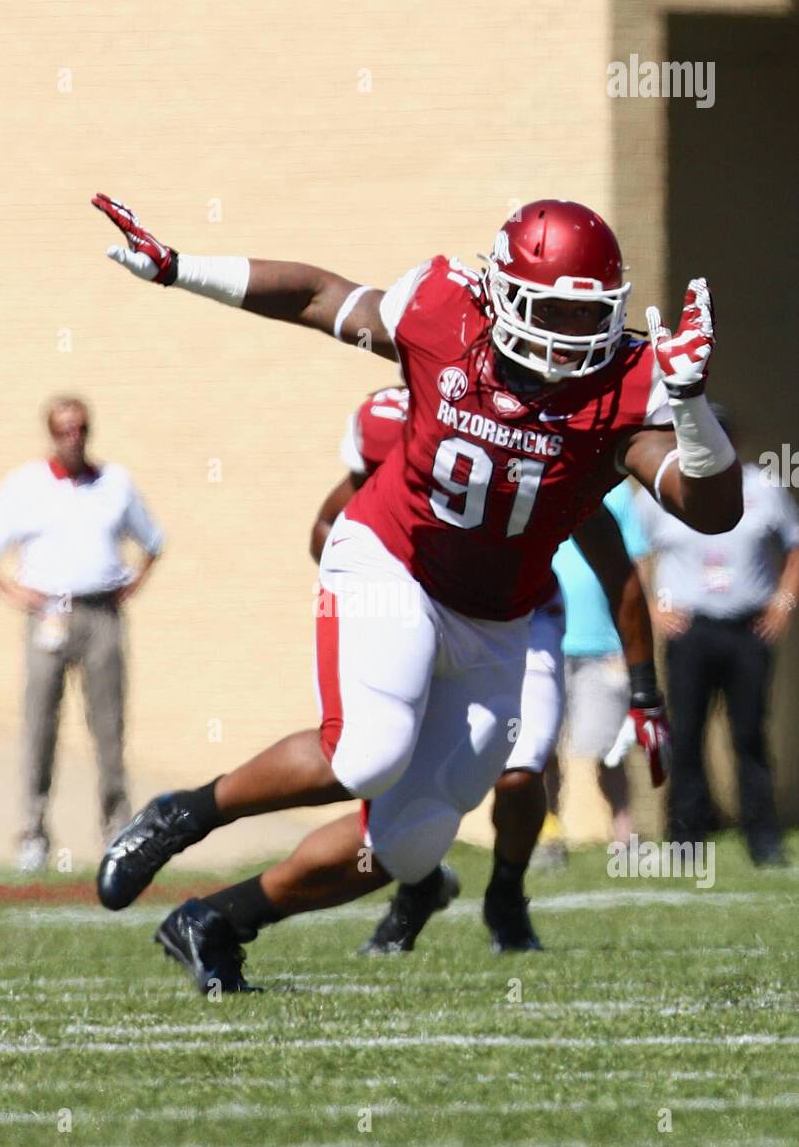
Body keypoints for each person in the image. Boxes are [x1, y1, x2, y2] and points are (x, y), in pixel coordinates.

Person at [90, 193, 741, 995]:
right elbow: (319, 296)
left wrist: (690, 404)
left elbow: (713, 510)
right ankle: (184, 813)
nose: (572, 339)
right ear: (501, 295)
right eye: (551, 312)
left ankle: (217, 921)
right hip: (392, 561)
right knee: (370, 750)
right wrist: (181, 268)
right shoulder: (442, 312)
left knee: (409, 847)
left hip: (499, 619)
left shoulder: (626, 383)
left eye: (590, 317)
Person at [311, 386, 669, 954]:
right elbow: (326, 528)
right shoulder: (400, 428)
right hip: (420, 618)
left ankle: (505, 896)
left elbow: (617, 571)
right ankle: (416, 889)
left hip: (518, 622)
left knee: (522, 767)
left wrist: (644, 689)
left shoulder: (540, 451)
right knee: (395, 759)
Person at [0, 396, 164, 872]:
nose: (74, 438)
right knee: (39, 725)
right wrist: (10, 591)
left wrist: (132, 585)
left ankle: (118, 831)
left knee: (109, 728)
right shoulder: (26, 485)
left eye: (82, 429)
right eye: (65, 430)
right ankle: (33, 834)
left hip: (101, 614)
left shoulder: (114, 483)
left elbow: (153, 541)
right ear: (51, 433)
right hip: (48, 614)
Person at [636, 410, 799, 866]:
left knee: (749, 734)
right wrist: (655, 605)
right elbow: (637, 552)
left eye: (721, 435)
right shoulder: (663, 491)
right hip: (691, 631)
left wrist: (783, 604)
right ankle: (687, 836)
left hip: (748, 629)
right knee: (685, 734)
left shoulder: (764, 489)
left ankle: (763, 838)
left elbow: (794, 547)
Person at [542, 478, 655, 855]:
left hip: (603, 645)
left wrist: (630, 640)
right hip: (544, 638)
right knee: (540, 750)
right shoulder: (540, 482)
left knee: (609, 749)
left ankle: (625, 836)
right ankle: (547, 835)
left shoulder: (618, 494)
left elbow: (637, 565)